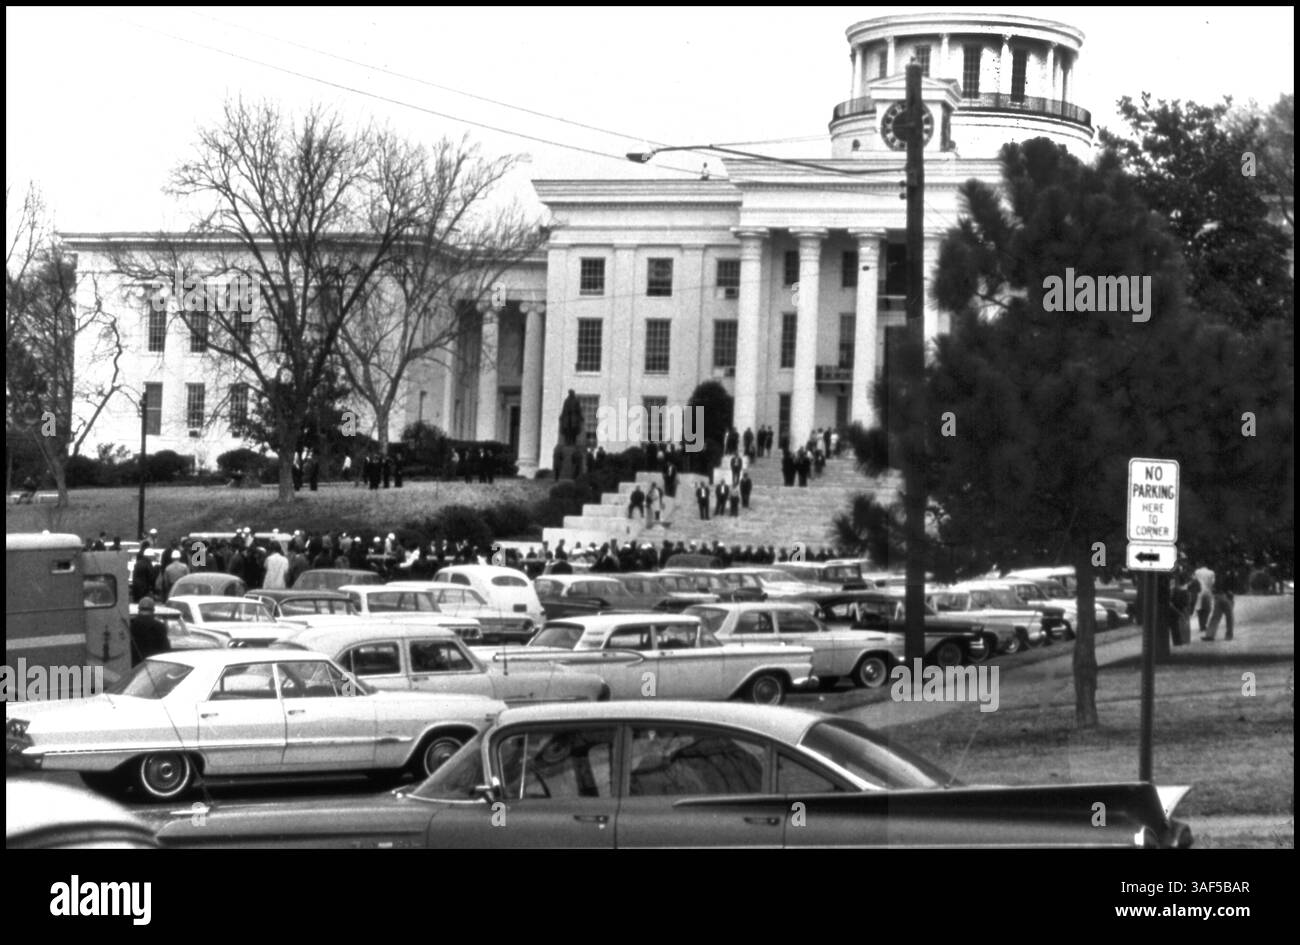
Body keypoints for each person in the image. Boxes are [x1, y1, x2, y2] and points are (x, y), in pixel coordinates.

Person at [128, 597, 170, 666]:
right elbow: (165, 649)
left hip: (135, 665)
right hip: (153, 665)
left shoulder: (131, 625)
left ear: (139, 610)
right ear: (153, 610)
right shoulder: (159, 626)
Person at [1206, 557, 1237, 641]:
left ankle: (1210, 635)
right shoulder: (1229, 574)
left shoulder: (1221, 575)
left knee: (1216, 617)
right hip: (1225, 596)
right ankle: (1228, 635)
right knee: (1228, 617)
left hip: (1222, 595)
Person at [1193, 561, 1215, 637]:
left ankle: (1201, 625)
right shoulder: (1211, 573)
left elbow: (1194, 581)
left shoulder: (1197, 572)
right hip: (1207, 592)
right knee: (1207, 609)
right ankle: (1204, 624)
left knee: (1199, 609)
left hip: (1199, 592)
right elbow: (1212, 583)